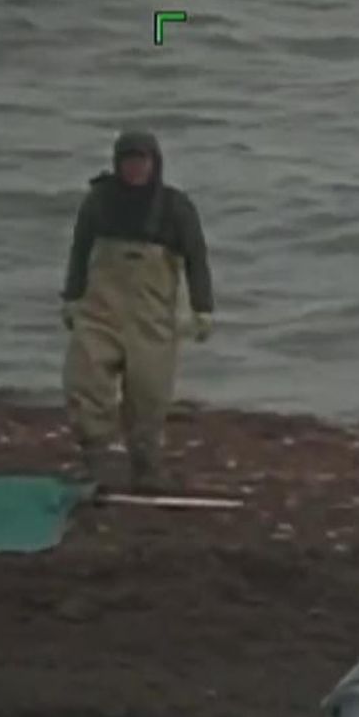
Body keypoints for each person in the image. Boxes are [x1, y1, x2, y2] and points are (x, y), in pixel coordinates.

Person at [60, 130, 215, 494]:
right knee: (85, 381)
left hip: (151, 317)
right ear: (118, 164)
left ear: (155, 163)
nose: (135, 168)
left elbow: (197, 258)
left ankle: (146, 465)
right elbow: (80, 250)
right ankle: (96, 457)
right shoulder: (98, 202)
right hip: (99, 310)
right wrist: (72, 296)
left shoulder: (176, 207)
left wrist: (202, 307)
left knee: (150, 392)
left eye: (142, 160)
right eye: (128, 161)